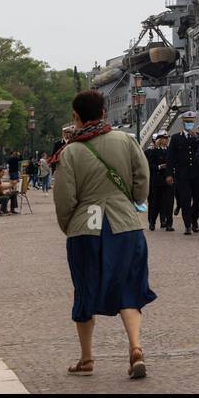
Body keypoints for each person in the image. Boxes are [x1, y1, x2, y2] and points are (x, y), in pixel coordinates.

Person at [53, 89, 154, 379]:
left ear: (76, 117)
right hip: (125, 224)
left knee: (85, 290)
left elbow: (64, 198)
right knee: (130, 286)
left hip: (87, 228)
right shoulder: (126, 140)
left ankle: (86, 358)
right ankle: (135, 347)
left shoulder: (70, 151)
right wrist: (132, 199)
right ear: (103, 112)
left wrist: (69, 225)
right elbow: (142, 178)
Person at [168, 112, 199, 234]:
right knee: (185, 199)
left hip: (197, 174)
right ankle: (187, 224)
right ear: (183, 123)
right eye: (187, 122)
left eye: (191, 122)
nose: (189, 124)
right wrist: (169, 174)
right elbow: (171, 157)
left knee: (198, 199)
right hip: (182, 174)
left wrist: (196, 138)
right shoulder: (176, 138)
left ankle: (194, 219)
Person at [145, 131, 175, 232]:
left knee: (169, 203)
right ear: (160, 140)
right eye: (164, 138)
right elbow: (149, 165)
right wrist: (158, 167)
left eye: (167, 138)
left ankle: (169, 224)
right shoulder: (154, 151)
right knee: (156, 203)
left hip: (169, 180)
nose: (166, 140)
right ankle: (152, 222)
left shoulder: (171, 150)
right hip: (158, 180)